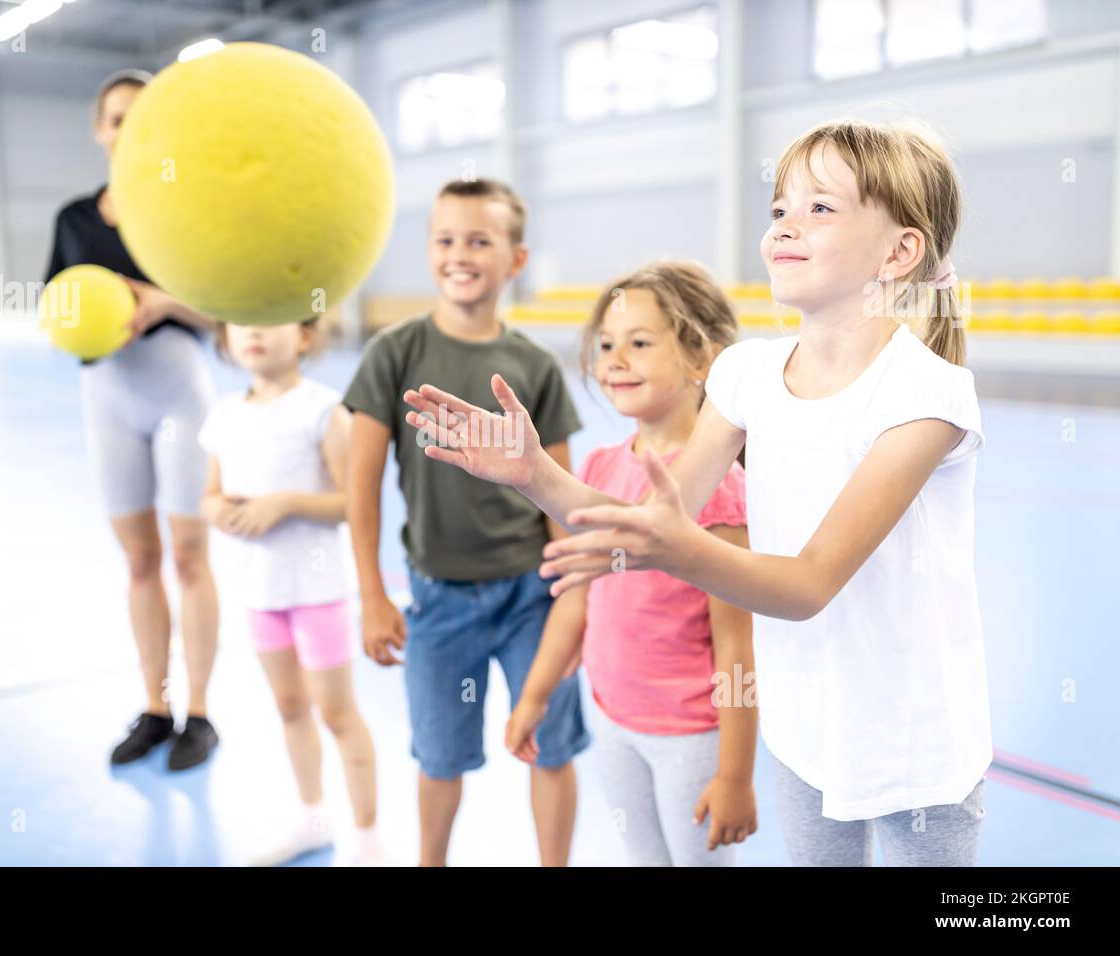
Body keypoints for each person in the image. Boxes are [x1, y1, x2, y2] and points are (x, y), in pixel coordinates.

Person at [404, 119, 991, 866]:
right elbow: (652, 522)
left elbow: (809, 582)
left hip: (914, 742)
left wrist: (682, 547)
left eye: (820, 207)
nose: (785, 224)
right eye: (780, 207)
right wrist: (536, 476)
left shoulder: (926, 394)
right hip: (802, 729)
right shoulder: (747, 376)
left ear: (899, 250)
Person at [343, 178, 589, 866]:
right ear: (429, 252)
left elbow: (560, 497)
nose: (461, 253)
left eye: (480, 240)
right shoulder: (393, 353)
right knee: (440, 756)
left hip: (530, 597)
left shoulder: (535, 367)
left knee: (551, 743)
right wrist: (370, 593)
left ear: (515, 258)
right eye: (446, 239)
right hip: (438, 601)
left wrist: (574, 598)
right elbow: (359, 487)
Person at [504, 262, 758, 866]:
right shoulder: (595, 469)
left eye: (640, 344)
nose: (615, 359)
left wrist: (736, 773)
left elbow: (736, 645)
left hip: (689, 737)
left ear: (702, 360)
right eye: (608, 345)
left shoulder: (720, 491)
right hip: (613, 719)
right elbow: (576, 598)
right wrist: (535, 695)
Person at [45, 70, 220, 770]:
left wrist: (158, 300)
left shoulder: (185, 213)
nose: (127, 130)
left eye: (143, 119)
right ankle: (156, 705)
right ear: (99, 129)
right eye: (117, 118)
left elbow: (222, 312)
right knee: (141, 560)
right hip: (107, 396)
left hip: (180, 391)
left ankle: (199, 714)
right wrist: (92, 319)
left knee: (188, 556)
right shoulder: (74, 220)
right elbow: (54, 311)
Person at [198, 318, 388, 866]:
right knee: (289, 706)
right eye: (242, 323)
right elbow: (208, 495)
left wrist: (285, 503)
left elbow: (354, 501)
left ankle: (370, 835)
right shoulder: (224, 414)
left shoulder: (323, 410)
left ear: (304, 336)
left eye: (272, 319)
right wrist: (222, 512)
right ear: (227, 339)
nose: (254, 332)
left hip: (317, 590)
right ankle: (311, 818)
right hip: (260, 592)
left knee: (337, 711)